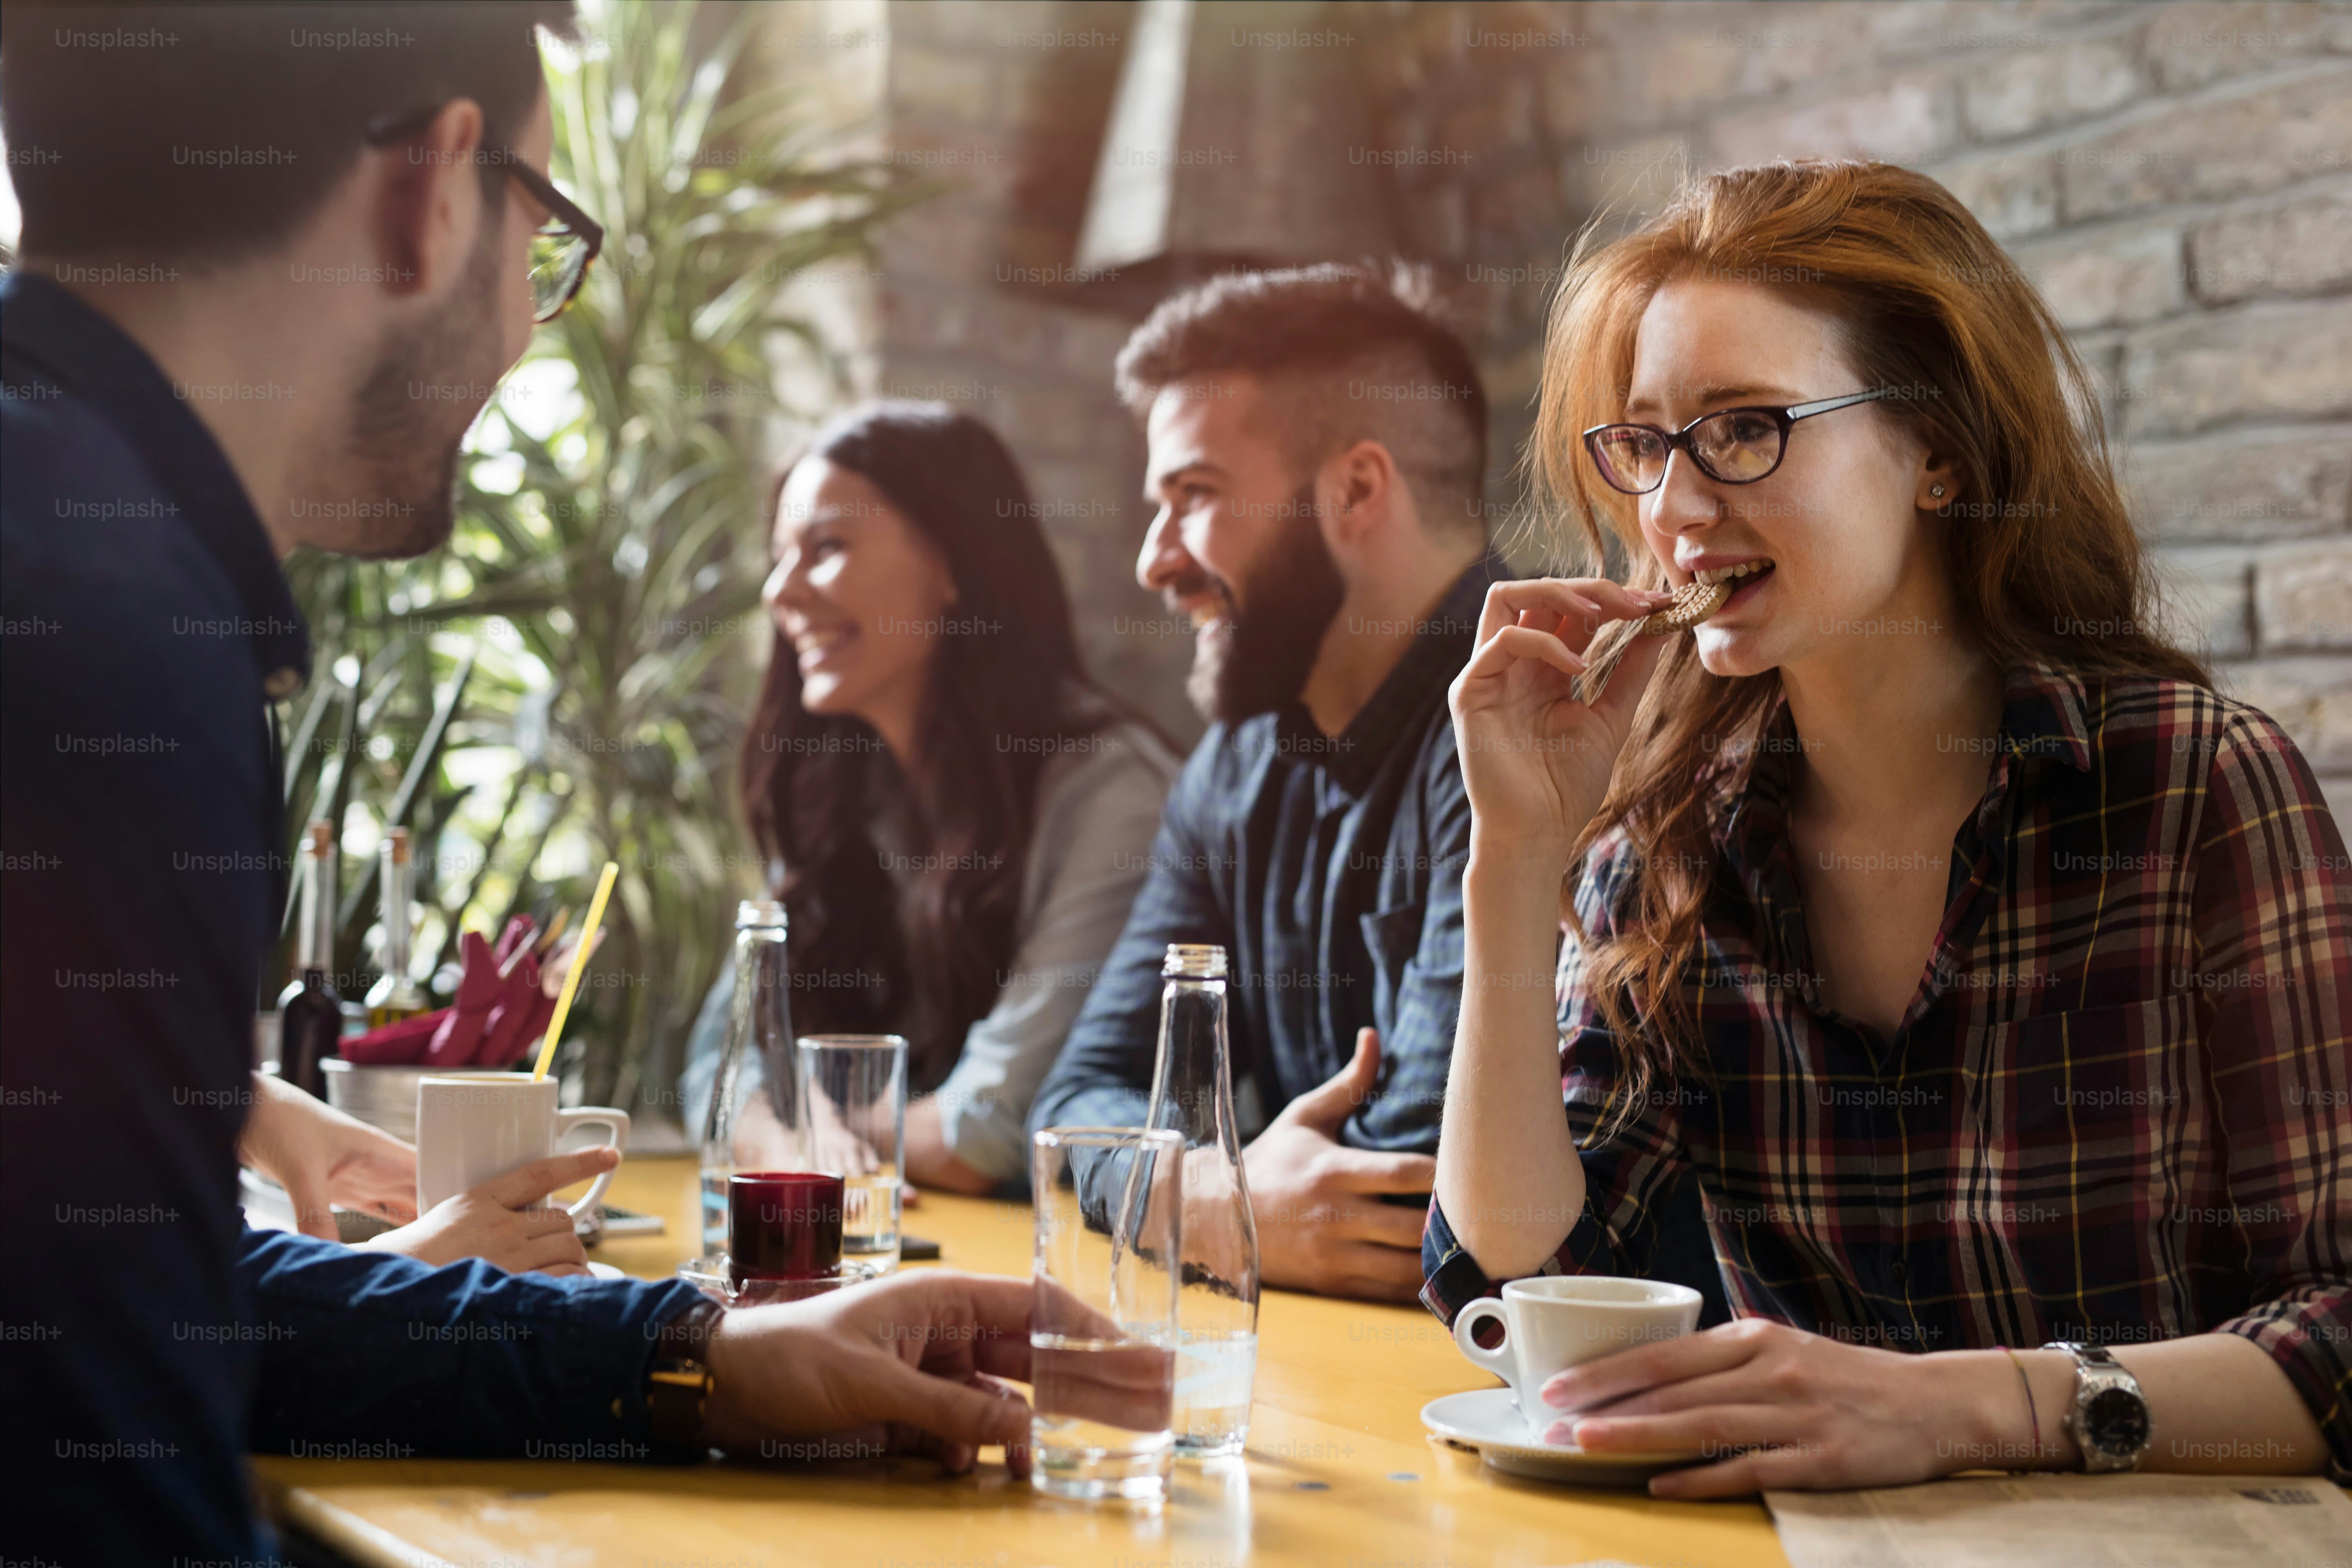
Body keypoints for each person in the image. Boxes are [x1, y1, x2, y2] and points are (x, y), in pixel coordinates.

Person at [1, 9, 1032, 1561]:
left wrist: (691, 1352)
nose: (535, 323)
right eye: (544, 236)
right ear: (433, 193)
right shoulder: (97, 633)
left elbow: (139, 1304)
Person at [1428, 159, 2351, 1496]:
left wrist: (1969, 1409)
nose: (1674, 514)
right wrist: (1514, 860)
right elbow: (1526, 1288)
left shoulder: (2197, 792)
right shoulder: (1675, 845)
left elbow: (2340, 1329)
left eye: (1744, 427)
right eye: (1644, 443)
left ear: (1939, 452)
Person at [1025, 263, 1725, 1315]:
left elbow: (1422, 1208)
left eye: (1195, 497)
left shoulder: (1551, 727)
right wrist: (1210, 1195)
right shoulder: (1236, 760)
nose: (1152, 562)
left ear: (1357, 489)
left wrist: (1224, 1205)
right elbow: (1082, 1098)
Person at [679, 403, 1178, 1195]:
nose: (782, 591)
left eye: (828, 549)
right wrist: (783, 1141)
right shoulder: (834, 788)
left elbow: (991, 1130)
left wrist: (813, 1116)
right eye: (780, 558)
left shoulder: (1113, 797)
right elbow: (718, 1056)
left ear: (954, 565)